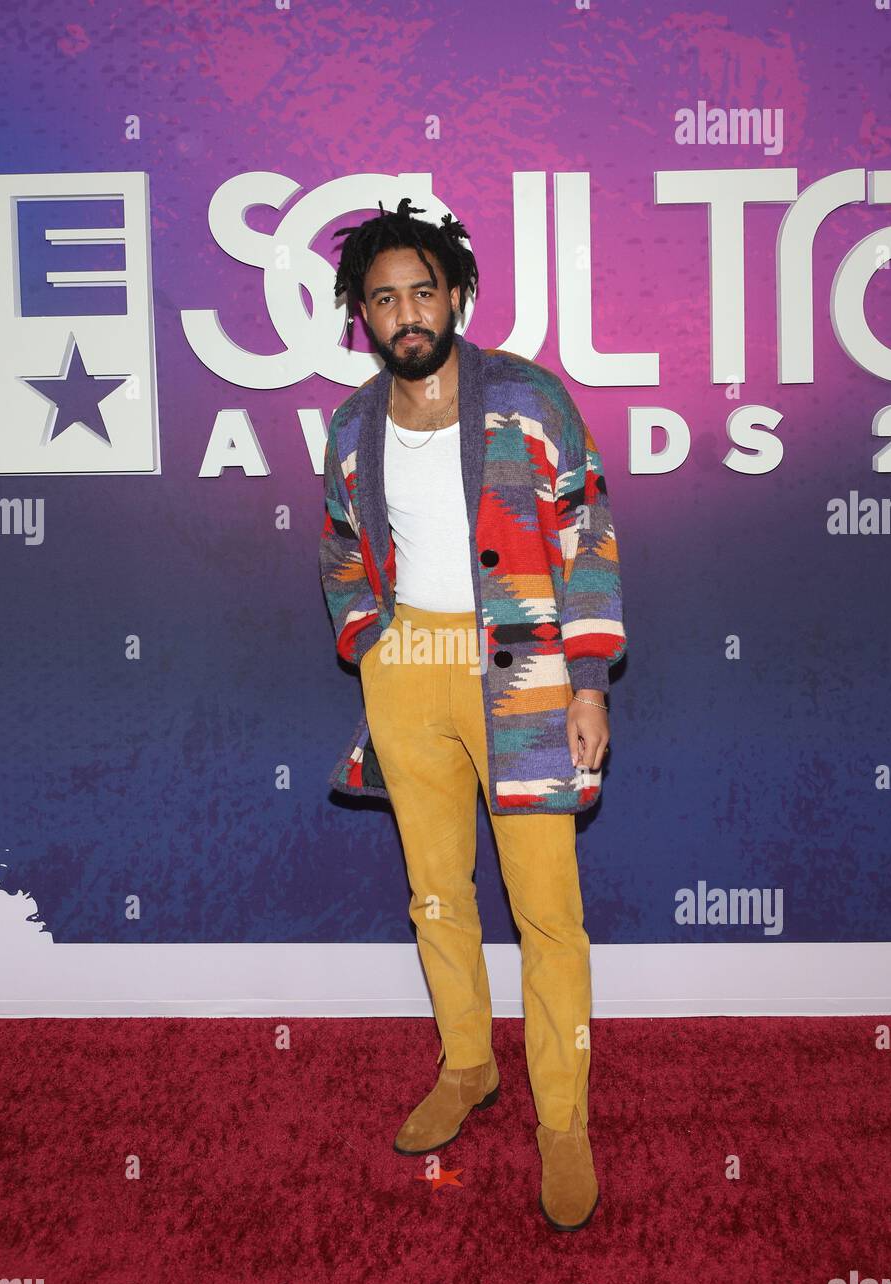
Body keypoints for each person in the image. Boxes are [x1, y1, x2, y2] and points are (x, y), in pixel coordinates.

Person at [319, 197, 627, 1231]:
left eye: (421, 291)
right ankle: (465, 1065)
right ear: (361, 315)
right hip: (409, 672)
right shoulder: (351, 423)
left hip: (524, 672)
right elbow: (339, 545)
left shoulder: (530, 399)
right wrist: (370, 638)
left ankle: (562, 1119)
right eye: (383, 300)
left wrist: (586, 681)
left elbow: (585, 531)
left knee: (547, 909)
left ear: (454, 295)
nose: (406, 313)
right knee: (435, 892)